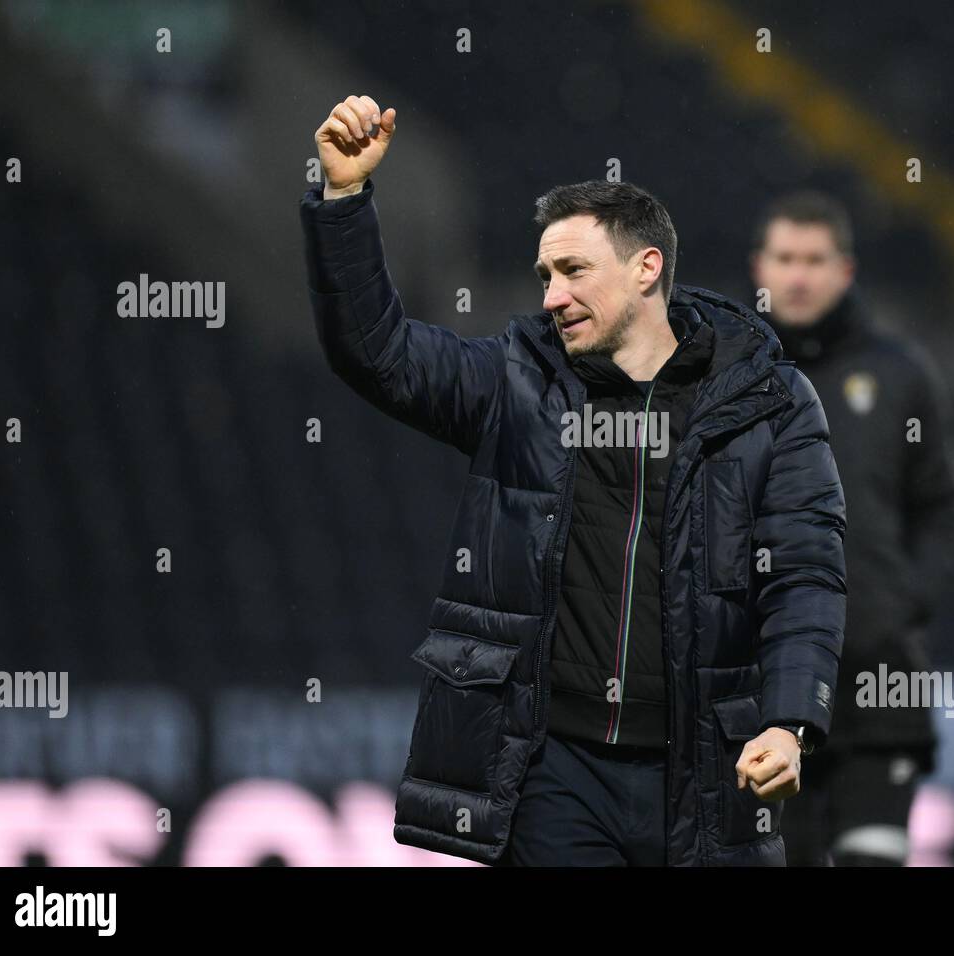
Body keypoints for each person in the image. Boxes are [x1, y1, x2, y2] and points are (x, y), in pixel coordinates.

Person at [300, 94, 847, 865]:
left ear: (646, 268)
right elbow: (375, 353)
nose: (551, 294)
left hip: (702, 771)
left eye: (572, 271)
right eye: (545, 274)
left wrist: (790, 723)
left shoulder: (771, 403)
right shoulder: (516, 381)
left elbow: (805, 577)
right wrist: (344, 199)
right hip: (553, 772)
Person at [749, 191, 954, 866]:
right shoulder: (732, 374)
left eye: (814, 260)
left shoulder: (901, 374)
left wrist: (903, 602)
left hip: (879, 683)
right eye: (785, 258)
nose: (798, 276)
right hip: (765, 683)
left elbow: (943, 506)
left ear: (845, 271)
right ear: (760, 267)